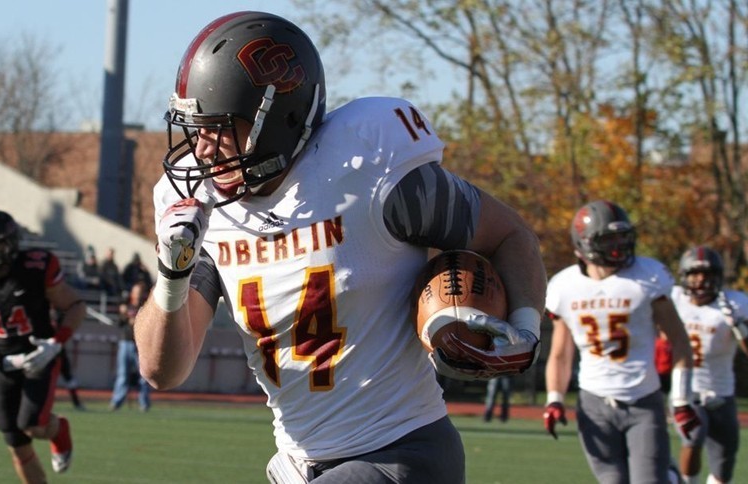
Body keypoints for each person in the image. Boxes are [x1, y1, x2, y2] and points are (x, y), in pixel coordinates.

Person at [135, 12, 544, 484]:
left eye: (220, 128)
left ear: (279, 120)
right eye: (196, 128)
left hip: (401, 451)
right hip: (296, 463)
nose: (203, 149)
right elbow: (162, 371)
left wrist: (525, 330)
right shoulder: (205, 209)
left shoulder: (368, 171)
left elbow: (510, 234)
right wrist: (172, 273)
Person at [543, 200, 699, 483]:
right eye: (610, 238)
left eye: (623, 236)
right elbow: (561, 354)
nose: (620, 244)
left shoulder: (648, 275)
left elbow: (679, 341)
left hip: (643, 398)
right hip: (593, 401)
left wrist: (681, 400)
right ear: (586, 242)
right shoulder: (563, 287)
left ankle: (670, 475)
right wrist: (554, 398)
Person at [0, 210, 87, 481]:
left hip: (38, 356)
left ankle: (58, 430)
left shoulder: (36, 267)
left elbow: (76, 306)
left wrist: (55, 343)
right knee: (15, 440)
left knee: (33, 425)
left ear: (11, 243)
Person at [670, 246, 748, 484]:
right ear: (684, 275)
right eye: (695, 274)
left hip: (722, 392)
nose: (701, 280)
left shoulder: (736, 303)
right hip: (688, 391)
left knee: (725, 461)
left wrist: (739, 326)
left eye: (708, 274)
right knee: (693, 438)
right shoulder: (673, 299)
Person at [111, 281, 151, 412]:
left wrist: (138, 321)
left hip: (140, 344)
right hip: (125, 341)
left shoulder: (145, 306)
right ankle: (117, 401)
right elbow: (119, 322)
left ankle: (144, 402)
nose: (138, 295)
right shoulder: (126, 306)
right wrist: (125, 316)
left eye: (140, 293)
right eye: (136, 292)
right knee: (122, 374)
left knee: (143, 375)